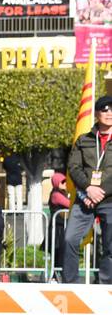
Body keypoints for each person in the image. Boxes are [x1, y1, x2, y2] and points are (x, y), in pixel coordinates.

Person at [62, 94, 112, 284]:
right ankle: (70, 285)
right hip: (84, 198)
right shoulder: (84, 139)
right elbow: (73, 167)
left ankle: (106, 286)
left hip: (109, 199)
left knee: (110, 246)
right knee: (70, 239)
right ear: (97, 114)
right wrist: (88, 188)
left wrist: (100, 192)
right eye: (105, 109)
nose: (109, 113)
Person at [48, 171, 71, 279]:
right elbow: (69, 204)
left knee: (62, 254)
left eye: (65, 181)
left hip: (62, 227)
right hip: (57, 229)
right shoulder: (56, 195)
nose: (65, 183)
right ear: (56, 183)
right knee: (58, 254)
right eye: (62, 182)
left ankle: (57, 276)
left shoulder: (64, 193)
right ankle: (55, 277)